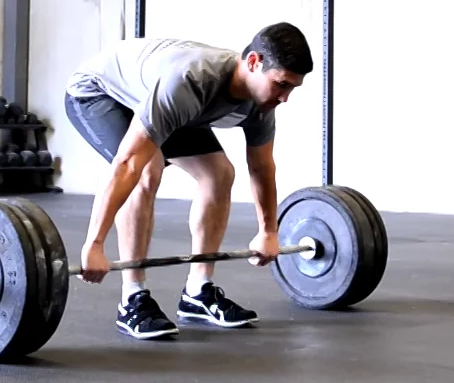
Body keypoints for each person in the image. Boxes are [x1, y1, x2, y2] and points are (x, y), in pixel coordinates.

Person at [63, 22, 313, 340]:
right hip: (101, 94)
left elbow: (262, 168)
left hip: (162, 98)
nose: (285, 98)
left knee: (219, 173)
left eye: (292, 88)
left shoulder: (261, 102)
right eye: (281, 85)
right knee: (146, 169)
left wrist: (269, 232)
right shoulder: (190, 82)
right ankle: (133, 297)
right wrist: (95, 245)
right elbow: (127, 165)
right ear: (253, 63)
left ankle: (198, 290)